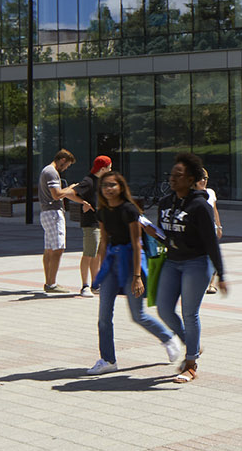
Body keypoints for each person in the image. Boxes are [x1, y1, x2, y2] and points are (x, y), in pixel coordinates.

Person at [89, 170, 181, 375]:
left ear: (121, 187)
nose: (109, 189)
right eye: (105, 186)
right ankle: (108, 360)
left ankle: (168, 337)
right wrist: (102, 272)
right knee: (104, 317)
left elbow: (136, 243)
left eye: (113, 185)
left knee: (138, 315)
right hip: (112, 265)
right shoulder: (102, 212)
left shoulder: (129, 210)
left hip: (130, 265)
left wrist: (137, 277)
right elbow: (104, 241)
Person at [156, 153, 227, 384]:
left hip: (197, 263)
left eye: (179, 175)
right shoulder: (165, 203)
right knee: (164, 309)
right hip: (172, 261)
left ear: (191, 179)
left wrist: (221, 275)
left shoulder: (200, 205)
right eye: (172, 174)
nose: (173, 179)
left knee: (189, 313)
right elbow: (165, 235)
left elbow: (211, 242)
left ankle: (190, 364)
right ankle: (193, 344)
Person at [37, 148, 80, 293]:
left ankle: (49, 282)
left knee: (49, 248)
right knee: (58, 248)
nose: (66, 168)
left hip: (46, 212)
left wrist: (81, 201)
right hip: (53, 213)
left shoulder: (47, 170)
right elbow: (57, 195)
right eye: (67, 165)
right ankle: (51, 284)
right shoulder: (51, 172)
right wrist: (71, 188)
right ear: (62, 160)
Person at [72, 156, 111, 298]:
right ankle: (85, 286)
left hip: (101, 222)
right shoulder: (88, 181)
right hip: (91, 223)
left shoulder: (101, 181)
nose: (110, 170)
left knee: (97, 254)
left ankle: (96, 284)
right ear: (102, 169)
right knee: (89, 254)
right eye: (109, 167)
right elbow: (71, 193)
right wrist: (84, 202)